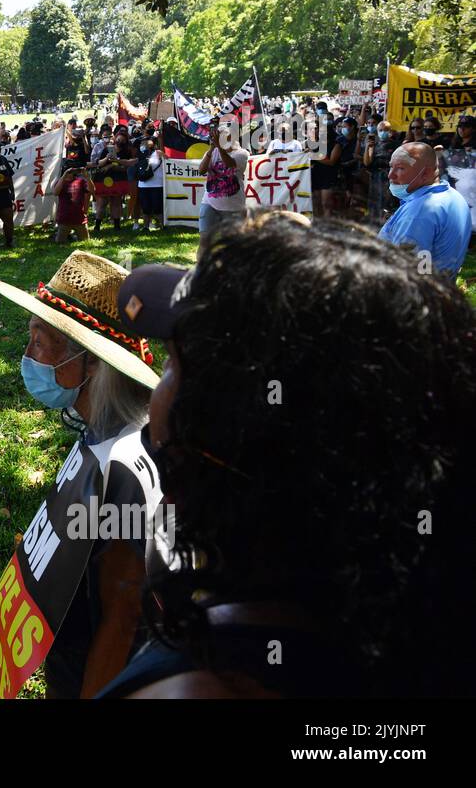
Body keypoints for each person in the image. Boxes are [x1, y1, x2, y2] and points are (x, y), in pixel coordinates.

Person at [100, 213, 475, 697]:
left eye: (174, 363)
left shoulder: (199, 688)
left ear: (243, 432)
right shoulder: (423, 601)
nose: (157, 399)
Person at [0, 253, 163, 700]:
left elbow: (122, 617)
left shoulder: (122, 465)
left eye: (40, 339)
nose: (27, 354)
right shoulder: (100, 435)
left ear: (90, 361)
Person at [377, 141, 473, 280]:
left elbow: (410, 274)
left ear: (426, 173)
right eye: (391, 167)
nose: (390, 175)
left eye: (400, 168)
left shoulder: (419, 212)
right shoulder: (453, 195)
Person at [196, 127, 249, 259]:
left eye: (225, 137)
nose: (222, 139)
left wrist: (219, 148)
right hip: (209, 203)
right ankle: (200, 271)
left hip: (234, 206)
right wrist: (210, 150)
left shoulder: (242, 153)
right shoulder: (212, 152)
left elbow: (230, 164)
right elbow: (201, 170)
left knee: (233, 244)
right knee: (205, 241)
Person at [54, 166, 95, 244]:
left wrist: (87, 178)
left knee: (85, 242)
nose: (70, 173)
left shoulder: (81, 181)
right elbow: (56, 192)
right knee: (60, 242)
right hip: (64, 218)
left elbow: (92, 190)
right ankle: (69, 236)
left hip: (79, 217)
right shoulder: (60, 182)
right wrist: (63, 176)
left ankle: (72, 236)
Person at [134, 136, 164, 232]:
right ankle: (146, 227)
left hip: (157, 185)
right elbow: (133, 162)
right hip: (143, 185)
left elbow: (169, 161)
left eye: (147, 142)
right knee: (145, 207)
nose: (145, 144)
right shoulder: (140, 154)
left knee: (157, 207)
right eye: (143, 143)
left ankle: (163, 226)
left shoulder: (158, 153)